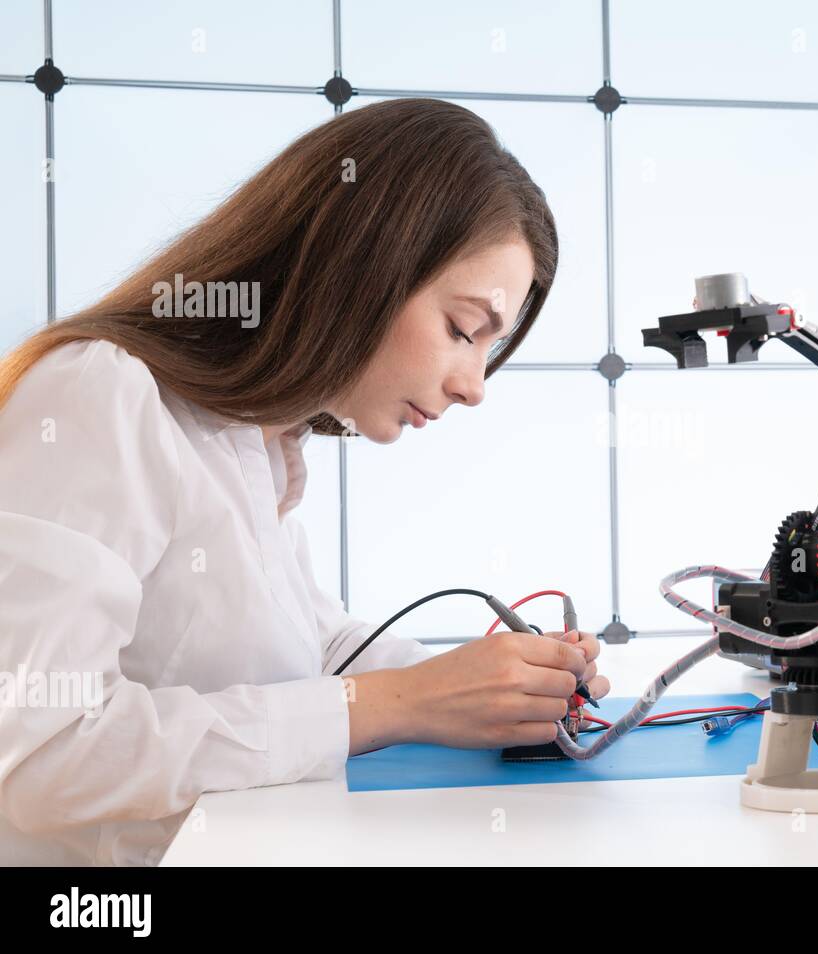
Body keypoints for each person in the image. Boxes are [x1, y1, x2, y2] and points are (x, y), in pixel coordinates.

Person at [0, 98, 608, 866]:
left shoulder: (259, 446)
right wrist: (401, 704)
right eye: (462, 330)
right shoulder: (100, 396)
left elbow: (313, 650)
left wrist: (496, 683)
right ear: (363, 264)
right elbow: (42, 756)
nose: (474, 386)